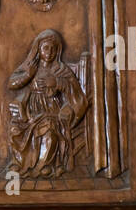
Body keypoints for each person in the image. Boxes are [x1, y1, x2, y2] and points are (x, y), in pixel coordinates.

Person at [7, 29, 88, 178]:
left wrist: (57, 82)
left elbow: (77, 94)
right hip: (30, 109)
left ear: (57, 51)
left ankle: (45, 164)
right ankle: (20, 161)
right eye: (45, 48)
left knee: (50, 132)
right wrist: (28, 76)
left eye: (53, 48)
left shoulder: (61, 69)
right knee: (15, 129)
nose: (49, 52)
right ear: (38, 48)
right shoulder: (31, 67)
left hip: (51, 109)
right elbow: (12, 83)